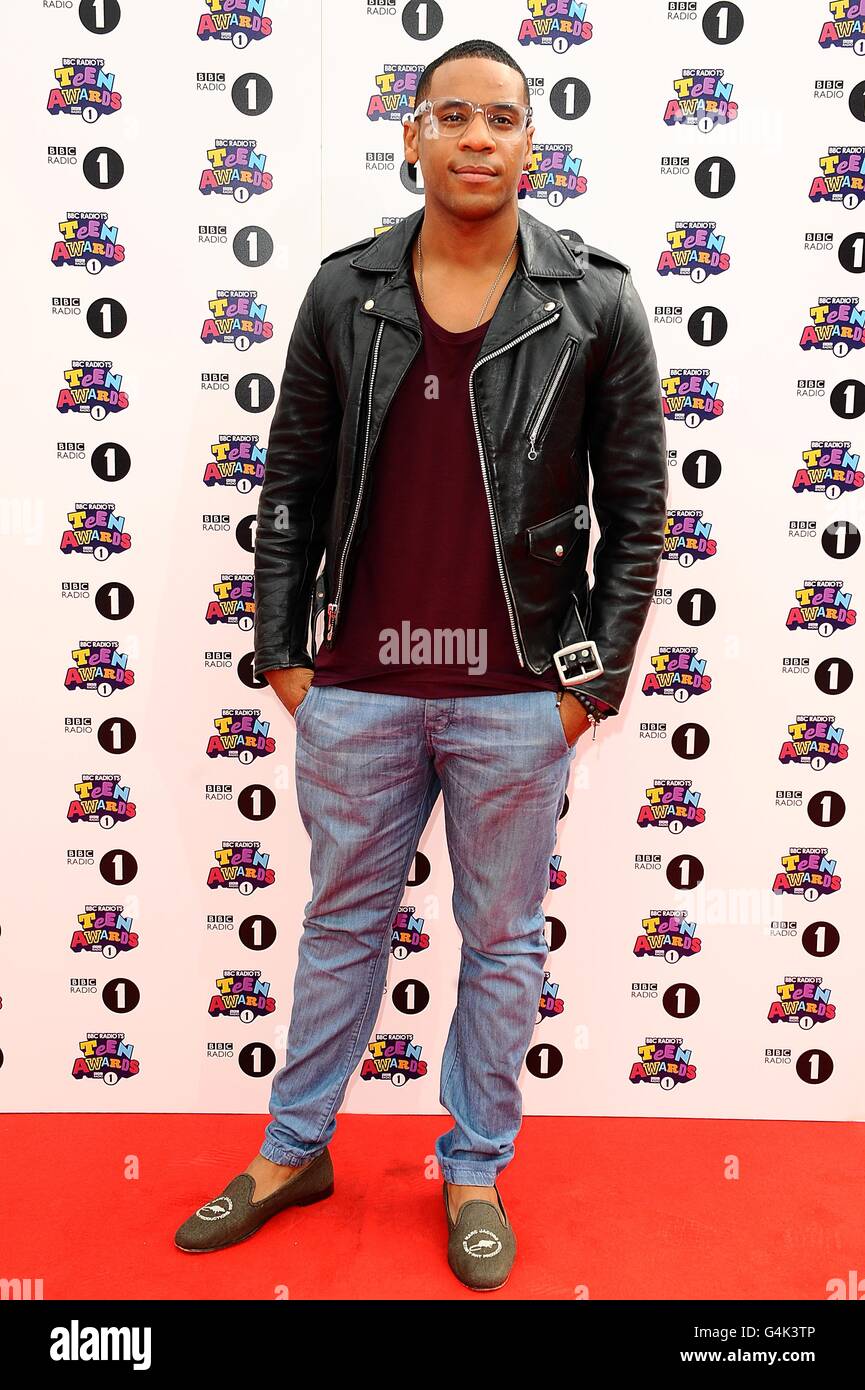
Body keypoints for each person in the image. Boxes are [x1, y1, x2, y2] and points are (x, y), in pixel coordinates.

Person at [175, 36, 668, 1292]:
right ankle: (294, 1151)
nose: (475, 137)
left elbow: (637, 510)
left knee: (501, 944)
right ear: (413, 134)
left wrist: (583, 689)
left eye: (501, 117)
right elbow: (286, 488)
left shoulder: (594, 300)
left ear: (528, 143)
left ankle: (474, 1168)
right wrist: (289, 661)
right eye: (451, 113)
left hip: (515, 700)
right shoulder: (347, 292)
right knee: (341, 926)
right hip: (359, 691)